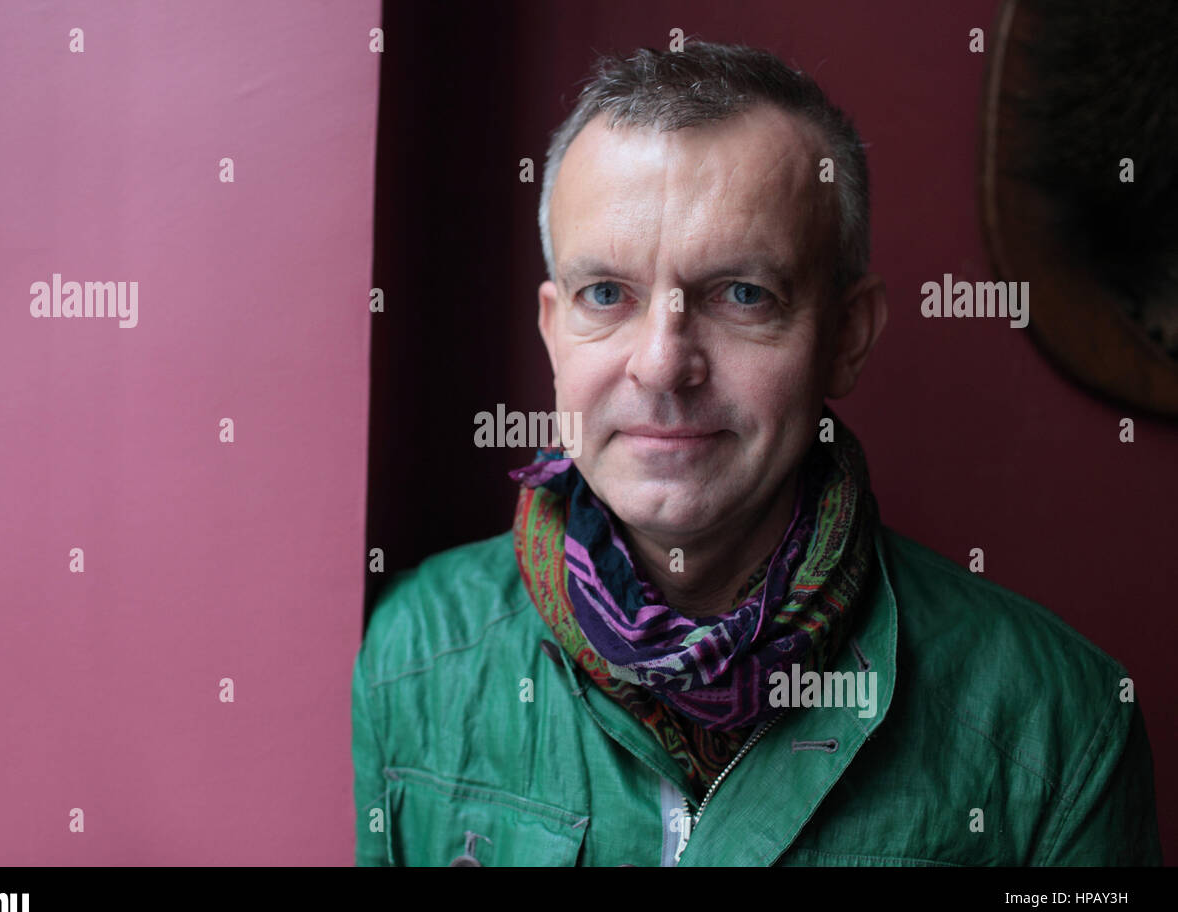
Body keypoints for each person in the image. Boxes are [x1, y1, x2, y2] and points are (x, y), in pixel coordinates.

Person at [352, 41, 1163, 866]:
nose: (663, 363)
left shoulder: (1061, 728)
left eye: (741, 294)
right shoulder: (412, 655)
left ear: (847, 336)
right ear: (555, 331)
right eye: (607, 295)